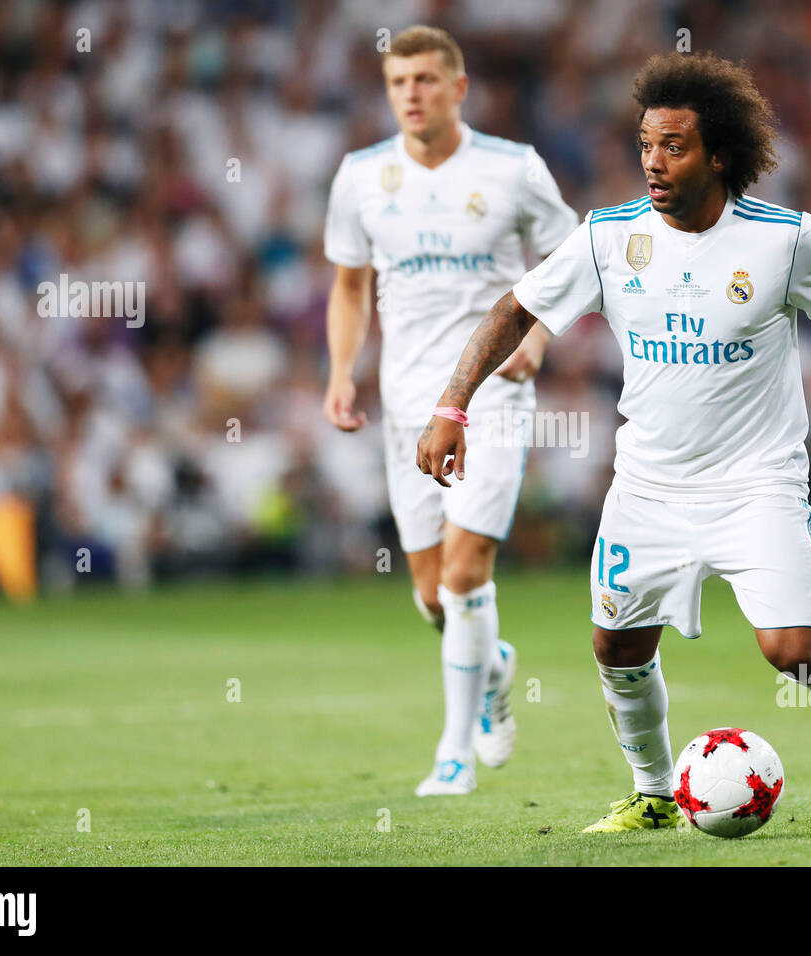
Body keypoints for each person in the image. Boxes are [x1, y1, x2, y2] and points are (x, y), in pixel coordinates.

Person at [417, 52, 811, 829]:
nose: (653, 161)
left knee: (790, 648)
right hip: (648, 486)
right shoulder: (609, 239)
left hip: (757, 481)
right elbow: (515, 311)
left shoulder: (784, 242)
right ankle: (655, 792)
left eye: (674, 146)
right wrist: (452, 406)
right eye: (646, 143)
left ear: (719, 154)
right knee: (616, 649)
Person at [323, 26, 578, 796]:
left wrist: (535, 337)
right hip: (406, 403)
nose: (411, 93)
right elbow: (346, 286)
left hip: (491, 395)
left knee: (467, 574)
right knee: (433, 595)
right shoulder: (362, 177)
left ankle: (455, 749)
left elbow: (572, 261)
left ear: (458, 88)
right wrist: (340, 372)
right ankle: (493, 668)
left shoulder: (511, 169)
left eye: (427, 80)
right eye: (399, 81)